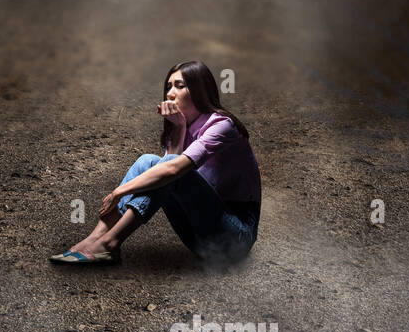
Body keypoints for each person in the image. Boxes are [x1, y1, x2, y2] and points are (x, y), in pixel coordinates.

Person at [50, 60, 261, 266]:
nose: (170, 94)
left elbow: (171, 170)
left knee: (167, 167)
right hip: (201, 242)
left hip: (235, 239)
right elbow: (163, 179)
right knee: (148, 161)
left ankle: (109, 243)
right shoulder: (182, 125)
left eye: (180, 86)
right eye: (168, 87)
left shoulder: (222, 126)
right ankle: (94, 239)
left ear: (200, 90)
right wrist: (178, 129)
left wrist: (119, 191)